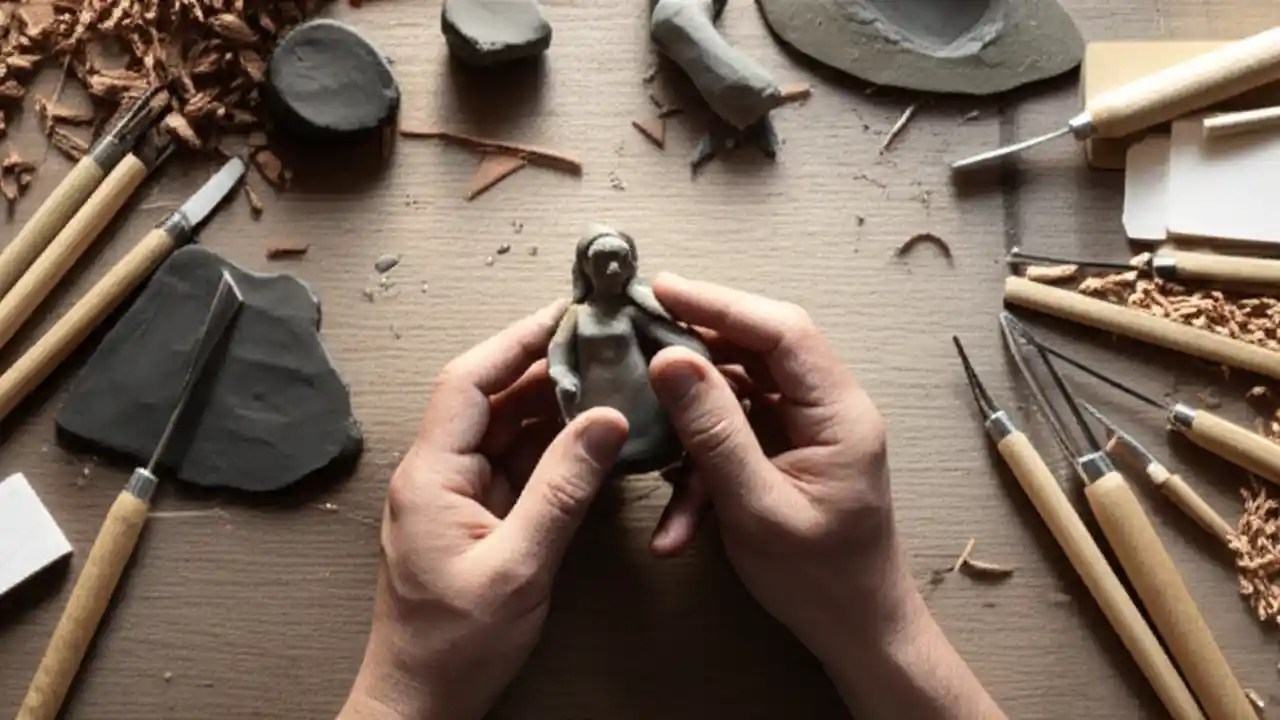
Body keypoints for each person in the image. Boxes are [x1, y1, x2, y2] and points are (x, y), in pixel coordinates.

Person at [337, 275, 1004, 720]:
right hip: (601, 413)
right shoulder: (577, 316)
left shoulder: (634, 310)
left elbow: (673, 338)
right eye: (600, 259)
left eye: (616, 258)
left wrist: (403, 696)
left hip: (650, 420)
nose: (609, 265)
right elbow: (563, 359)